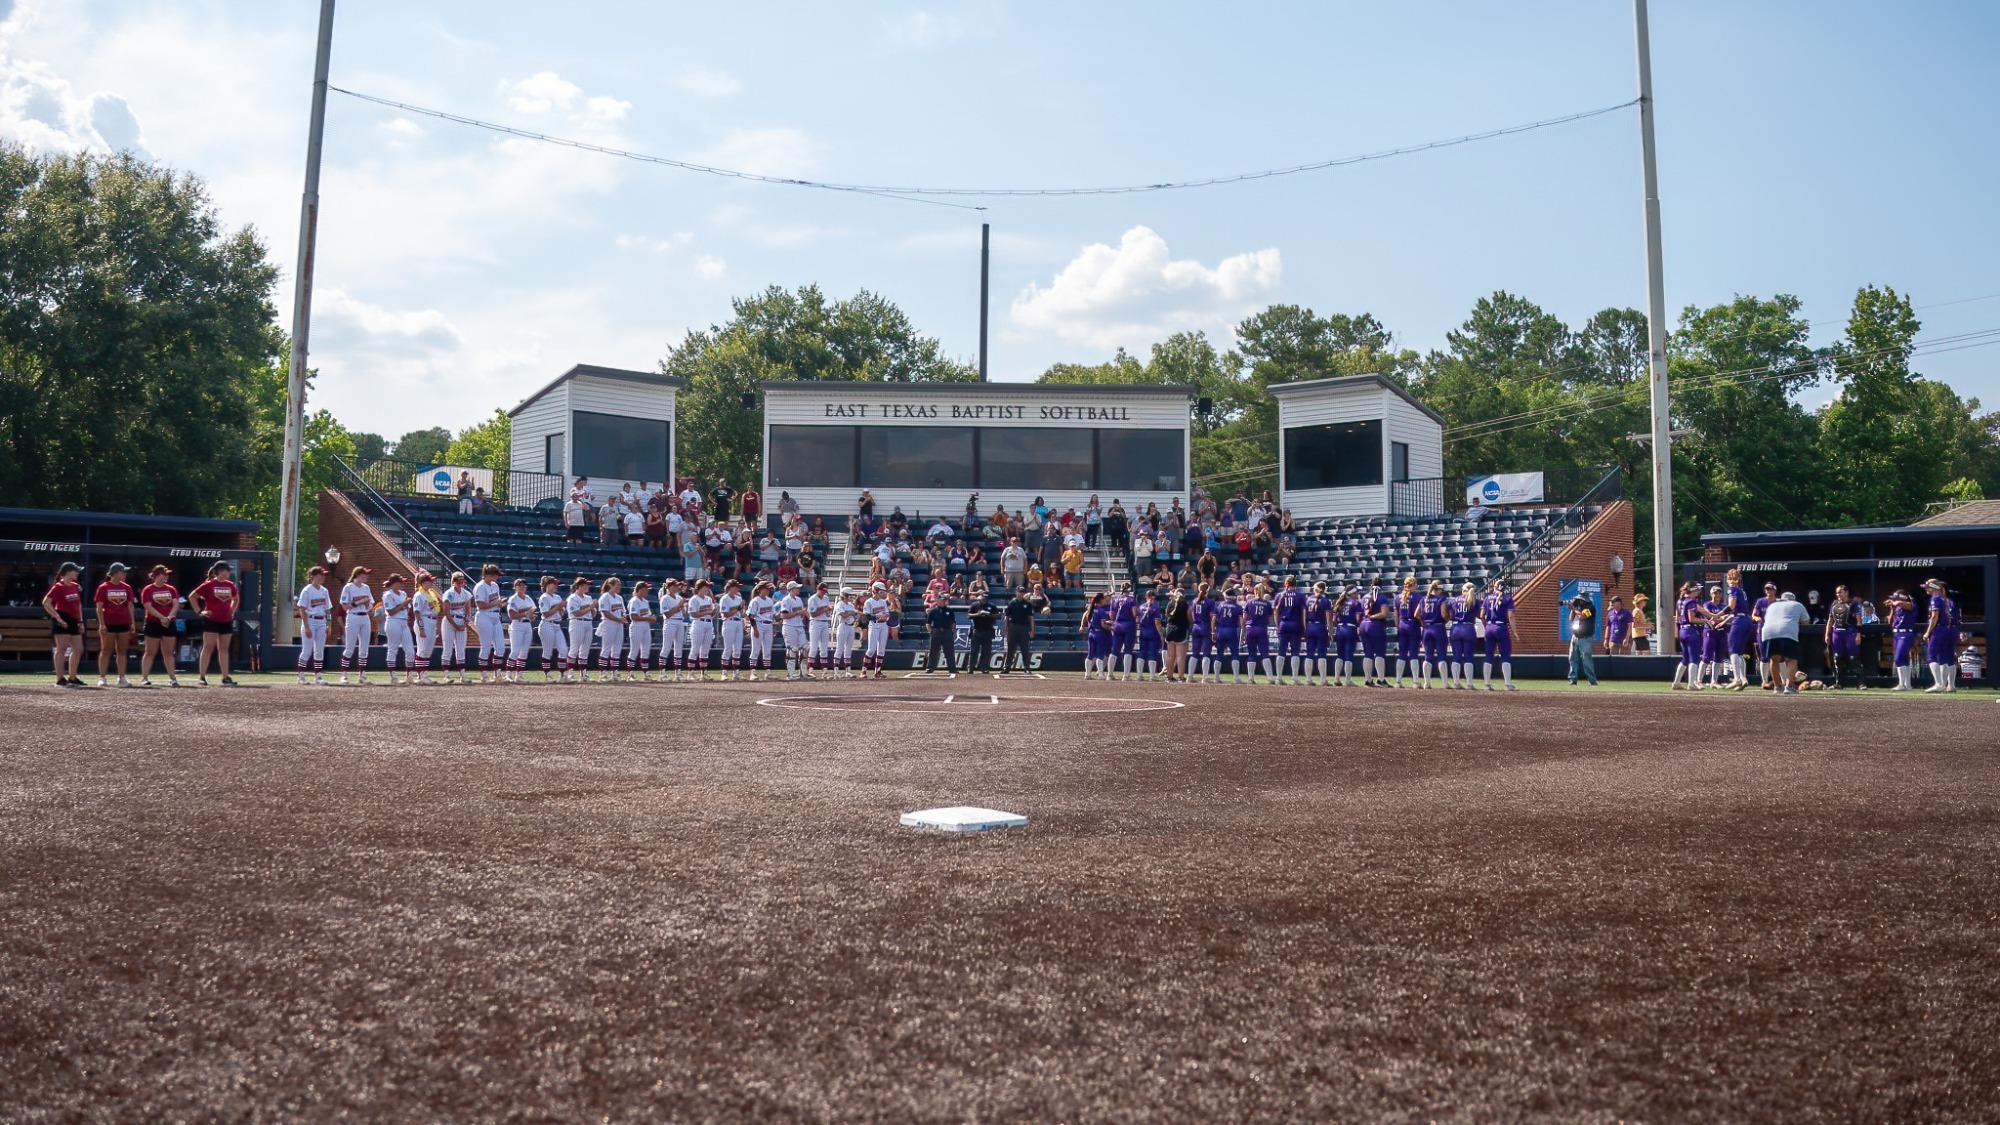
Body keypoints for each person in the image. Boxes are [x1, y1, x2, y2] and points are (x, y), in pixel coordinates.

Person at [189, 560, 241, 687]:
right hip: (211, 620)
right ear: (221, 571)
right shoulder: (209, 584)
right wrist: (200, 612)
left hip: (226, 621)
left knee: (223, 649)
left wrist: (232, 611)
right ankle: (202, 677)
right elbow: (192, 596)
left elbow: (236, 599)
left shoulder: (230, 585)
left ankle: (225, 677)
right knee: (208, 648)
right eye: (227, 570)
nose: (229, 572)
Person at [91, 562, 137, 688]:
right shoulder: (104, 587)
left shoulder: (127, 587)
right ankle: (102, 677)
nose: (125, 574)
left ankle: (122, 677)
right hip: (109, 622)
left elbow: (130, 605)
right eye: (123, 572)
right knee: (106, 650)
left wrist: (132, 622)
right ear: (116, 573)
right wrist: (101, 624)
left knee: (122, 651)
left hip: (123, 622)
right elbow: (99, 607)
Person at [42, 561, 86, 687]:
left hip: (74, 619)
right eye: (75, 570)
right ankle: (60, 678)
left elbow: (78, 605)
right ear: (68, 572)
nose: (77, 573)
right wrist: (57, 617)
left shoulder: (75, 586)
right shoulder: (58, 586)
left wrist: (80, 621)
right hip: (62, 617)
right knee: (62, 649)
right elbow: (46, 602)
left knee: (78, 649)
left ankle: (72, 677)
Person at [138, 564, 180, 687]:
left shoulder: (171, 589)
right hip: (153, 622)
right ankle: (145, 678)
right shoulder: (148, 589)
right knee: (150, 651)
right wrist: (161, 617)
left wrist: (169, 617)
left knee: (169, 652)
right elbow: (148, 606)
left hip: (169, 623)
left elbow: (176, 604)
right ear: (157, 575)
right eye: (163, 574)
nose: (166, 577)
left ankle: (173, 678)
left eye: (167, 574)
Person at [1762, 590, 1809, 695]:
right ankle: (1788, 687)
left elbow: (1767, 619)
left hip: (1768, 632)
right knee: (1791, 660)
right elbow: (1806, 621)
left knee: (1774, 659)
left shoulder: (1772, 606)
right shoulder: (1798, 605)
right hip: (1787, 631)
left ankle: (1777, 687)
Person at [337, 565, 374, 685]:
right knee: (349, 647)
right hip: (353, 616)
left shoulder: (366, 587)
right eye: (364, 574)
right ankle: (344, 675)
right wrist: (359, 602)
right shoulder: (349, 587)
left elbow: (370, 605)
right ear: (358, 575)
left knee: (364, 648)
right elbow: (345, 606)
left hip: (365, 616)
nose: (366, 576)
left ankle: (362, 675)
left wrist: (368, 604)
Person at [472, 563, 507, 683]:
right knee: (486, 646)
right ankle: (484, 675)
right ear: (488, 575)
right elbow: (480, 605)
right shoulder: (480, 587)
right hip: (484, 616)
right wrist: (496, 603)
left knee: (500, 647)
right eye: (495, 575)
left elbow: (494, 602)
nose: (497, 577)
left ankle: (497, 675)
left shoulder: (495, 586)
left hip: (495, 616)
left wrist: (500, 603)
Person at [1923, 577, 1959, 693]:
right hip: (1948, 629)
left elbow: (1934, 616)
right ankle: (1949, 685)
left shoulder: (1936, 598)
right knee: (1947, 658)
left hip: (1939, 629)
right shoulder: (1946, 600)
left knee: (1931, 656)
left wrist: (1928, 632)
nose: (1926, 589)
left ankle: (1939, 684)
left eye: (1928, 587)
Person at [379, 573, 416, 685]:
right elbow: (391, 611)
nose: (401, 584)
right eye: (400, 582)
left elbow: (406, 609)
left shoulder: (403, 593)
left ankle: (409, 675)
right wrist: (403, 604)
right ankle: (393, 676)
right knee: (393, 649)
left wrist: (404, 605)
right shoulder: (387, 595)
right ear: (394, 583)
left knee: (410, 650)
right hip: (393, 621)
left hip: (403, 622)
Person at [1823, 584, 1861, 690]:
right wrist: (1827, 634)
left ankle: (1860, 682)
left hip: (1850, 632)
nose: (1838, 594)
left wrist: (1858, 634)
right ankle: (1838, 682)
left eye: (1840, 592)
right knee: (1837, 657)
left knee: (1854, 658)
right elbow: (1830, 620)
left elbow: (1858, 620)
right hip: (1837, 632)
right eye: (1837, 592)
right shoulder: (1834, 603)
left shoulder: (1853, 603)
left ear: (1846, 592)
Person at [1481, 580, 1517, 691]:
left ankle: (1487, 683)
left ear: (1495, 587)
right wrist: (1515, 632)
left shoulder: (1487, 598)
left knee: (1488, 656)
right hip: (1501, 627)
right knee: (1505, 655)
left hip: (1489, 627)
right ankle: (1507, 683)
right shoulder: (1507, 599)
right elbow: (1510, 616)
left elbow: (1482, 615)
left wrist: (1486, 626)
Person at [440, 572, 474, 683]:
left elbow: (468, 610)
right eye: (458, 582)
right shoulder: (449, 593)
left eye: (462, 582)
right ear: (453, 582)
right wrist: (456, 625)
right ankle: (446, 675)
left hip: (461, 619)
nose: (460, 584)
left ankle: (462, 675)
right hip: (450, 621)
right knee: (448, 648)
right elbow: (446, 612)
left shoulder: (466, 594)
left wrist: (465, 623)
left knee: (461, 649)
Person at [534, 575, 569, 683]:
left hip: (557, 624)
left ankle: (563, 676)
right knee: (547, 651)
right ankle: (548, 675)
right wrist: (559, 607)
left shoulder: (557, 597)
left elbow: (561, 613)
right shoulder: (544, 597)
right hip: (547, 624)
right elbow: (546, 614)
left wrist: (562, 609)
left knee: (563, 650)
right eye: (553, 584)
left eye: (556, 584)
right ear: (547, 585)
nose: (556, 586)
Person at [1884, 588, 1920, 691]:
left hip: (1906, 633)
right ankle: (1906, 684)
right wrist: (1892, 608)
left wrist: (1896, 602)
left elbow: (1908, 605)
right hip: (1896, 633)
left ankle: (1902, 684)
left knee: (1899, 658)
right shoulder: (1897, 608)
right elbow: (1890, 621)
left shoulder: (1910, 605)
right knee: (1903, 659)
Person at [502, 577, 537, 684]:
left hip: (527, 625)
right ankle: (508, 674)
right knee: (515, 651)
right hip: (517, 625)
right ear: (515, 587)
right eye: (519, 585)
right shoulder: (513, 599)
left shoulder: (528, 598)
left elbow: (532, 612)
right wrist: (526, 612)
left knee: (524, 652)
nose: (522, 587)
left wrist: (531, 615)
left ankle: (519, 675)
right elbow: (512, 615)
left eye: (523, 585)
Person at [1001, 586, 1042, 675]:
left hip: (1024, 627)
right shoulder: (1012, 603)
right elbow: (1006, 617)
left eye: (1023, 592)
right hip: (1013, 627)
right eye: (1020, 592)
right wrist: (1006, 629)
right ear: (1016, 592)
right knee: (1010, 649)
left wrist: (1032, 630)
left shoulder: (1027, 604)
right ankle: (1007, 667)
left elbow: (1031, 618)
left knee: (1025, 648)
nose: (1021, 594)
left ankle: (1026, 667)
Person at [410, 571, 442, 684]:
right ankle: (420, 676)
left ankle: (424, 674)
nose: (432, 583)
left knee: (428, 650)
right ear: (423, 583)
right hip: (424, 621)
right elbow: (417, 613)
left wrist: (438, 625)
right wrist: (421, 628)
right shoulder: (419, 595)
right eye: (430, 581)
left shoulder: (431, 594)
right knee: (422, 649)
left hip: (432, 621)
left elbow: (436, 611)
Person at [565, 577, 598, 682]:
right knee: (574, 648)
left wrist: (593, 610)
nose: (588, 586)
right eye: (586, 585)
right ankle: (569, 673)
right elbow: (576, 613)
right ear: (580, 586)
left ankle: (583, 674)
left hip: (588, 622)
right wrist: (590, 608)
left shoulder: (588, 598)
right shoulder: (572, 598)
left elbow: (593, 613)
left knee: (585, 649)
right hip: (577, 622)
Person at [627, 581, 658, 682]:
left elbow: (647, 615)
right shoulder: (634, 600)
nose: (647, 590)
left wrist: (651, 618)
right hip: (637, 626)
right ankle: (630, 674)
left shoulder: (645, 601)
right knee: (634, 650)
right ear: (640, 589)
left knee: (645, 650)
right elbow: (633, 616)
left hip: (645, 626)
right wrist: (648, 618)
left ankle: (645, 673)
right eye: (646, 588)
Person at [660, 579, 690, 681]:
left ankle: (678, 673)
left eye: (677, 586)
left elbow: (684, 613)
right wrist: (678, 606)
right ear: (669, 587)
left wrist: (683, 607)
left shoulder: (678, 597)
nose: (677, 588)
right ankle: (662, 673)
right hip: (670, 622)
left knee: (678, 649)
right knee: (666, 647)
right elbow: (667, 614)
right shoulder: (665, 598)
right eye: (675, 586)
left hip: (679, 621)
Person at [861, 583, 892, 678]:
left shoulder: (883, 602)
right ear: (878, 591)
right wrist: (878, 616)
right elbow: (866, 616)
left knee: (881, 650)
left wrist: (885, 616)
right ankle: (863, 671)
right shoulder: (869, 602)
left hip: (883, 625)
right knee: (871, 650)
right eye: (882, 591)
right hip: (874, 625)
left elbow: (887, 613)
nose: (884, 593)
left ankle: (878, 671)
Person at [717, 578, 747, 680]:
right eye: (736, 587)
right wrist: (738, 608)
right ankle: (724, 673)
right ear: (731, 587)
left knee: (738, 649)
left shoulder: (738, 598)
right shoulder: (724, 599)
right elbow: (725, 614)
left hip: (738, 622)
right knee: (728, 648)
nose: (738, 589)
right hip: (728, 622)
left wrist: (743, 608)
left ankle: (736, 673)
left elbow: (742, 614)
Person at [1566, 594, 1598, 686]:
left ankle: (1592, 680)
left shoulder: (1590, 608)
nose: (1578, 601)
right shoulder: (1578, 608)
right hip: (1575, 637)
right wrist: (1573, 609)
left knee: (1586, 660)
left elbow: (1582, 616)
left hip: (1585, 638)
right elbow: (1571, 619)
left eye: (1579, 600)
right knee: (1572, 658)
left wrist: (1573, 608)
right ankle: (1572, 679)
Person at [924, 596, 957, 676]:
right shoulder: (933, 611)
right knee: (933, 651)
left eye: (944, 600)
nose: (942, 602)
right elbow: (928, 623)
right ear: (937, 601)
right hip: (936, 631)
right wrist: (932, 632)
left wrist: (951, 632)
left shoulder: (949, 611)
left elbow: (953, 623)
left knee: (949, 651)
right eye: (941, 600)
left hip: (947, 631)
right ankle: (930, 668)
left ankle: (952, 669)